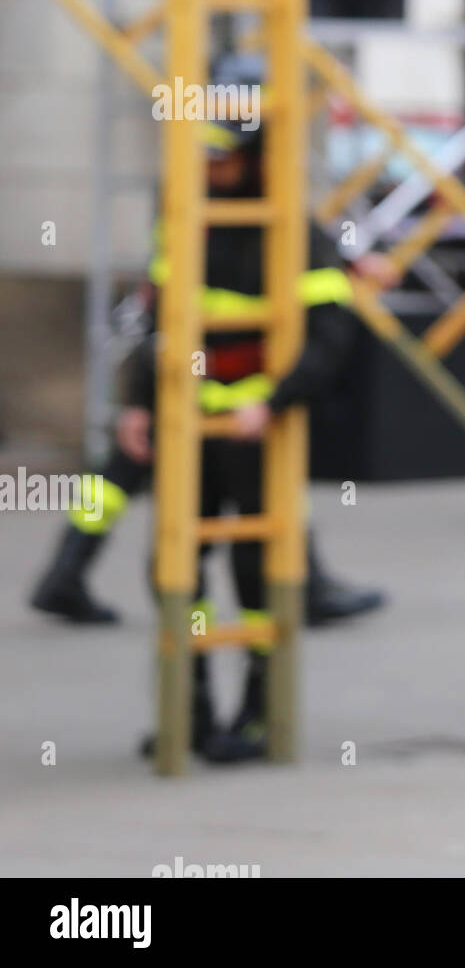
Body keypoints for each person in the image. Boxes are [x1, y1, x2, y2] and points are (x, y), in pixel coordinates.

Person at [31, 60, 383, 761]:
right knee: (176, 567)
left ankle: (258, 712)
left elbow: (332, 336)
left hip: (254, 431)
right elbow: (163, 316)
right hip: (185, 425)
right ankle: (186, 709)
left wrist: (273, 401)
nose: (210, 167)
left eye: (222, 155)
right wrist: (137, 403)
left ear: (252, 154)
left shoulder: (290, 230)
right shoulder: (186, 216)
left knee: (257, 573)